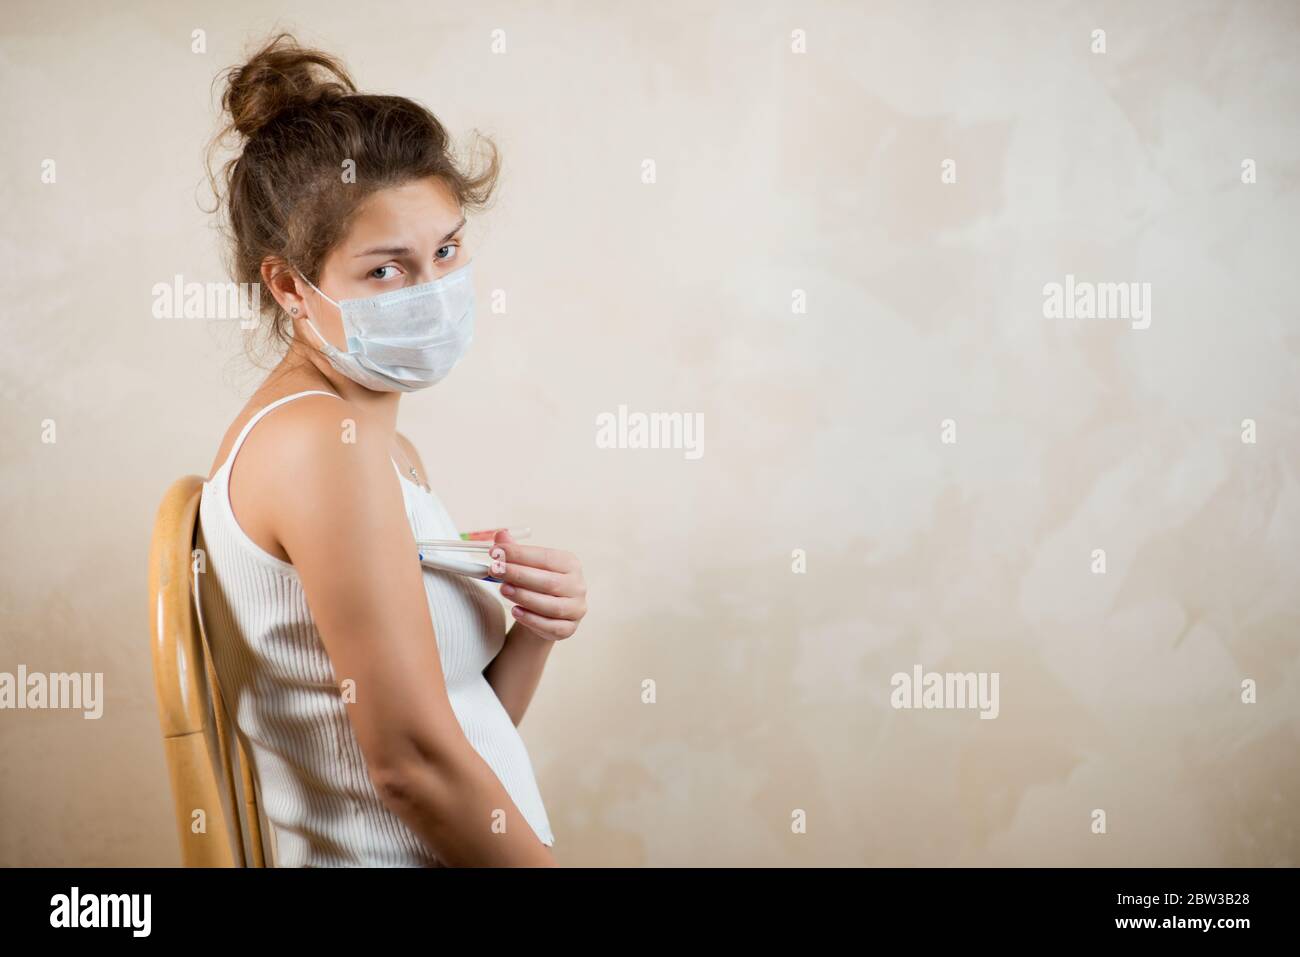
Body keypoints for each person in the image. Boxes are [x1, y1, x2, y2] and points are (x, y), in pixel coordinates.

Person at [193, 32, 587, 867]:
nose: (435, 291)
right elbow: (408, 769)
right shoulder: (316, 449)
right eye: (386, 270)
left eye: (445, 250)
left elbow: (454, 731)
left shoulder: (383, 452)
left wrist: (534, 633)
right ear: (291, 287)